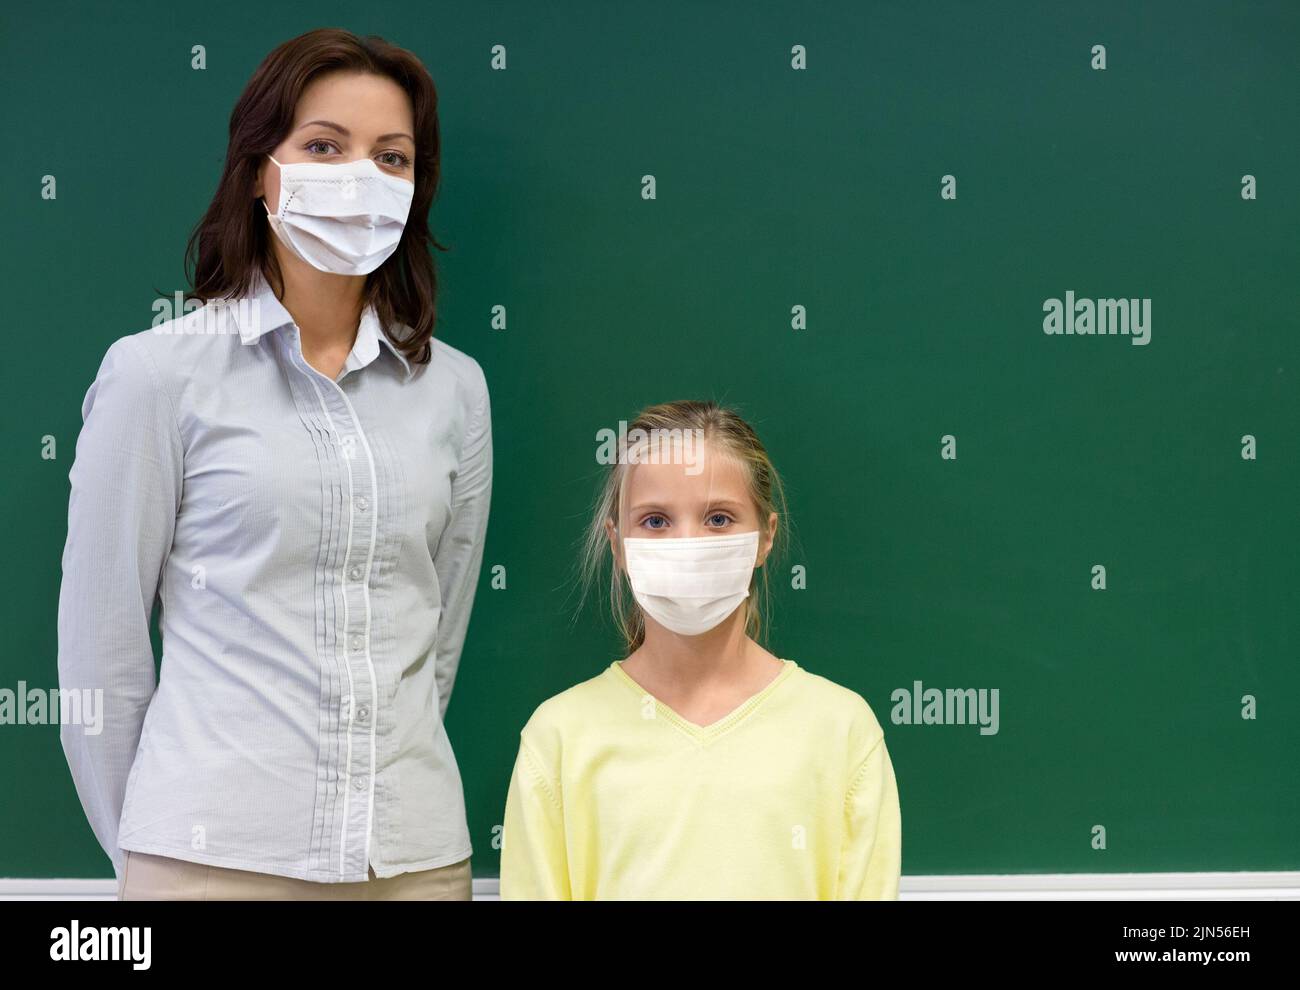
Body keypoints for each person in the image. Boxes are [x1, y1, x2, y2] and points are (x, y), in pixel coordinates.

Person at [56, 28, 491, 900]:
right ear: (261, 170)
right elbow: (97, 657)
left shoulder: (454, 389)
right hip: (210, 863)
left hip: (413, 864)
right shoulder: (158, 375)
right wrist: (150, 855)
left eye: (392, 157)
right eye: (324, 146)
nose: (361, 177)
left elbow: (433, 636)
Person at [499, 400, 900, 899]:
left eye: (717, 518)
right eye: (655, 521)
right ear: (618, 544)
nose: (687, 543)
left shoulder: (842, 730)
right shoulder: (558, 738)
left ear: (764, 537)